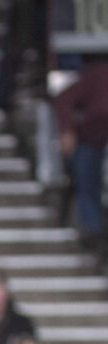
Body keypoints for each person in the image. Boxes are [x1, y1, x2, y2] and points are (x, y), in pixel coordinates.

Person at [55, 53, 108, 245]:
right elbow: (63, 100)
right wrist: (67, 129)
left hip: (94, 138)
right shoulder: (96, 74)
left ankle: (92, 230)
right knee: (86, 181)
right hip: (91, 139)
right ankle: (92, 230)